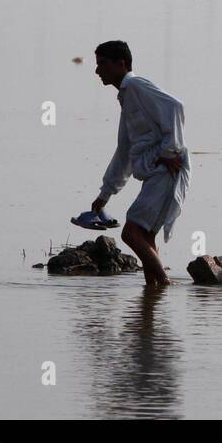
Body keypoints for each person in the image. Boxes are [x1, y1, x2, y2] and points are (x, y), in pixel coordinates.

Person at [90, 41, 189, 287]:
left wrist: (169, 151)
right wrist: (105, 194)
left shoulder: (134, 85)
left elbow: (175, 106)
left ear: (121, 64)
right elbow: (125, 151)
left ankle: (164, 283)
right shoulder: (126, 97)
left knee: (130, 233)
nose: (97, 70)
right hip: (154, 171)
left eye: (102, 63)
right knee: (145, 236)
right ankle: (151, 297)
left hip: (167, 169)